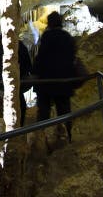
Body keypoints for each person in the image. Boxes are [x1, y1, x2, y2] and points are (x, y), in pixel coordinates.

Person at [32, 11, 76, 142]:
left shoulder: (47, 36)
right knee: (64, 112)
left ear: (49, 23)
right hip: (64, 82)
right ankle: (67, 137)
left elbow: (41, 57)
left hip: (46, 82)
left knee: (44, 113)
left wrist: (34, 72)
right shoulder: (67, 37)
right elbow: (72, 58)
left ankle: (42, 140)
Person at [0, 35, 33, 126]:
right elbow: (28, 65)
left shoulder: (2, 47)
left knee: (10, 104)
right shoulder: (20, 46)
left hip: (6, 81)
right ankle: (18, 126)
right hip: (18, 80)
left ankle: (11, 125)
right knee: (19, 102)